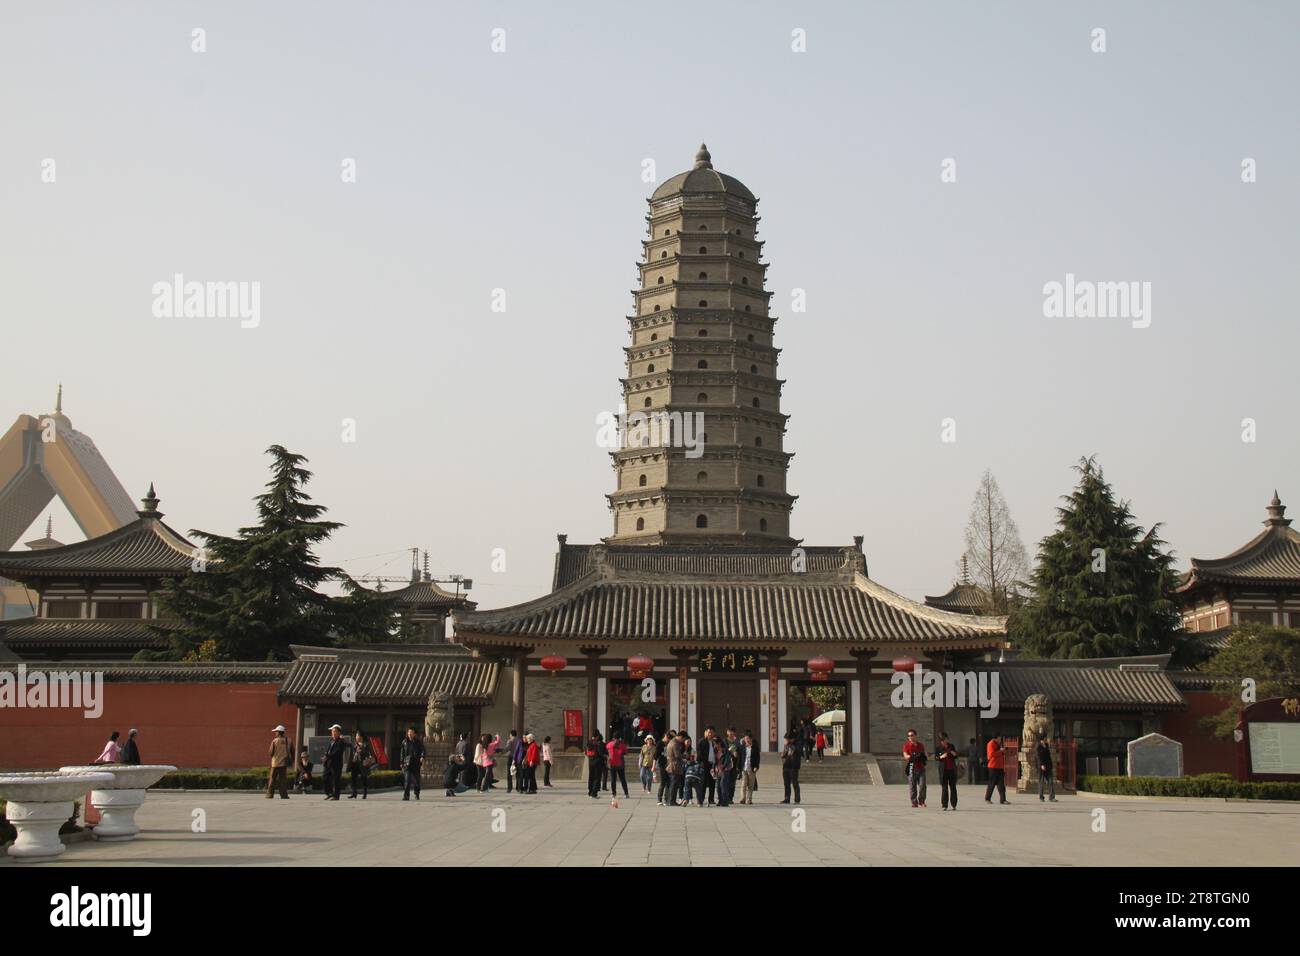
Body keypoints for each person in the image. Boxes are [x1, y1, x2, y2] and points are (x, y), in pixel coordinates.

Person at [322, 724, 348, 800]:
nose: (333, 733)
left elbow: (337, 752)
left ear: (339, 733)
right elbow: (329, 751)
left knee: (336, 780)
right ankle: (329, 793)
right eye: (332, 731)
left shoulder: (341, 741)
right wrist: (325, 756)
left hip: (336, 764)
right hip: (329, 763)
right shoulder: (332, 741)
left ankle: (336, 796)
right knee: (325, 777)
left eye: (335, 731)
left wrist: (328, 756)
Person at [903, 729, 927, 808]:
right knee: (912, 786)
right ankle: (914, 802)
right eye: (909, 736)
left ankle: (922, 801)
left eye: (912, 735)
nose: (910, 737)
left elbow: (925, 754)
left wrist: (924, 756)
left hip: (921, 767)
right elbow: (905, 756)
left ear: (916, 736)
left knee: (922, 785)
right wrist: (912, 756)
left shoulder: (921, 745)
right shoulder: (906, 746)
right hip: (911, 768)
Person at [399, 726, 424, 801]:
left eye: (411, 732)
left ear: (414, 734)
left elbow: (423, 750)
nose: (410, 734)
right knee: (407, 780)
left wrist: (422, 757)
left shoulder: (418, 742)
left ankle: (417, 794)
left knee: (417, 781)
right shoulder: (404, 742)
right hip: (407, 764)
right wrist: (401, 762)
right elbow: (402, 753)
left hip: (416, 763)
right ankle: (406, 795)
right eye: (409, 732)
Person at [266, 724, 291, 799]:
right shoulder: (289, 740)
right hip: (284, 763)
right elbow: (292, 751)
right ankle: (284, 795)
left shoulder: (275, 741)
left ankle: (270, 794)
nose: (275, 733)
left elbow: (270, 752)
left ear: (278, 732)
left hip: (275, 763)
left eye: (276, 731)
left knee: (272, 779)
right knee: (282, 780)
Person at [935, 732, 959, 810]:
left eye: (946, 739)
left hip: (952, 769)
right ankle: (944, 805)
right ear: (941, 741)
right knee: (944, 787)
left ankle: (954, 804)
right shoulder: (938, 748)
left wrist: (954, 753)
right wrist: (942, 756)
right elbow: (936, 757)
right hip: (943, 770)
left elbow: (956, 756)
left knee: (953, 787)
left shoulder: (951, 746)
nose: (945, 741)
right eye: (943, 740)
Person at [349, 731, 374, 799]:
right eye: (356, 736)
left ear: (361, 737)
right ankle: (354, 793)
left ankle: (365, 793)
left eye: (357, 736)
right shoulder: (355, 744)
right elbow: (352, 752)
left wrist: (362, 750)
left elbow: (369, 753)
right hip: (355, 763)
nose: (356, 737)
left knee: (364, 779)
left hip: (362, 764)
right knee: (353, 778)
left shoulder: (366, 744)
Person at [984, 735, 1008, 804]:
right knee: (992, 783)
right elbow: (991, 755)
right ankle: (987, 798)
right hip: (993, 766)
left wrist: (1003, 751)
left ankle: (1003, 799)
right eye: (1000, 738)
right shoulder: (990, 744)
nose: (1000, 740)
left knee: (1001, 784)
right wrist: (1000, 751)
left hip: (1000, 766)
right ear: (996, 738)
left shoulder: (998, 744)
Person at [739, 729, 760, 805]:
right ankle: (742, 799)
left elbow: (758, 758)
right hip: (744, 768)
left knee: (751, 785)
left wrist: (756, 766)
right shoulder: (743, 747)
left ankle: (749, 800)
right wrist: (738, 767)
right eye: (745, 739)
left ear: (751, 739)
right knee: (743, 784)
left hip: (752, 769)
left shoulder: (755, 748)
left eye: (747, 739)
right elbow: (740, 758)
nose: (746, 740)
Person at [664, 731, 685, 807]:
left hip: (671, 765)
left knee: (672, 784)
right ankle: (672, 801)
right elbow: (677, 755)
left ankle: (669, 800)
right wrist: (684, 758)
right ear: (681, 737)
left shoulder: (672, 742)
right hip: (674, 766)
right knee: (674, 784)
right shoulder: (675, 743)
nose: (683, 741)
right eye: (683, 739)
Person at [780, 732, 801, 804]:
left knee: (795, 783)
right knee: (786, 783)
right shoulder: (786, 746)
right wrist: (783, 754)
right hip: (786, 766)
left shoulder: (797, 745)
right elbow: (783, 755)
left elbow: (795, 751)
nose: (785, 740)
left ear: (792, 739)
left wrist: (789, 746)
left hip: (793, 767)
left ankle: (797, 799)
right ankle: (787, 798)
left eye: (786, 739)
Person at [606, 732, 629, 798]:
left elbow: (607, 749)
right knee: (623, 779)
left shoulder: (609, 744)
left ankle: (614, 794)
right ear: (619, 738)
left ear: (613, 738)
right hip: (620, 764)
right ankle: (626, 793)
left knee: (613, 780)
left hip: (612, 764)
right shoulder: (622, 745)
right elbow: (626, 752)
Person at [699, 727, 717, 806]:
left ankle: (711, 799)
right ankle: (701, 799)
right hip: (705, 764)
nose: (710, 734)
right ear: (706, 732)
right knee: (703, 783)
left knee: (712, 782)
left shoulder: (714, 742)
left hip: (713, 764)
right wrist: (701, 762)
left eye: (712, 732)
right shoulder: (702, 741)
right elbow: (699, 753)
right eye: (709, 732)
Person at [585, 731, 606, 798]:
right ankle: (594, 793)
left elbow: (586, 750)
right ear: (597, 736)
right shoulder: (598, 743)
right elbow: (601, 753)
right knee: (597, 778)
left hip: (590, 761)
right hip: (597, 762)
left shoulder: (589, 742)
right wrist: (605, 757)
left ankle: (590, 791)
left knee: (591, 777)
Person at [656, 731, 674, 805]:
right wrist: (653, 766)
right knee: (663, 782)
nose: (668, 740)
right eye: (667, 738)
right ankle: (659, 799)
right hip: (662, 765)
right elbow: (655, 755)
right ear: (665, 736)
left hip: (669, 765)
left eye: (669, 739)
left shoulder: (670, 743)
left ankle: (667, 799)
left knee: (668, 782)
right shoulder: (660, 743)